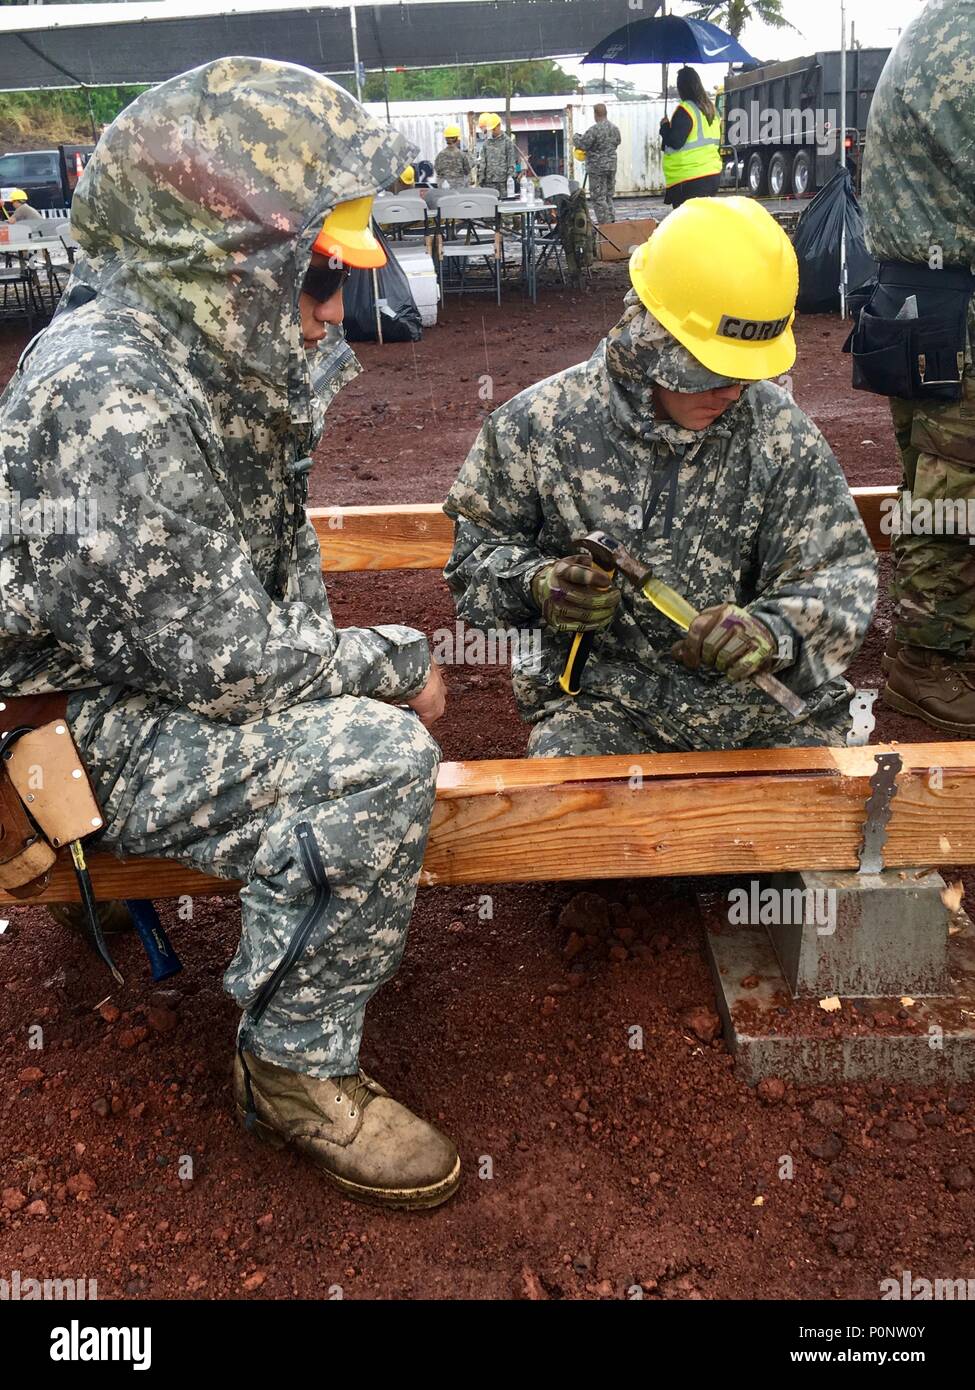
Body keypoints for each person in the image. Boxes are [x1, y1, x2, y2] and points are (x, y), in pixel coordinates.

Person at [0, 57, 461, 1211]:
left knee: (350, 715)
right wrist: (390, 669)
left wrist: (337, 673)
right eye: (314, 276)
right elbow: (226, 662)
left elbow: (269, 579)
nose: (328, 309)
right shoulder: (114, 392)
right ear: (229, 260)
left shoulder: (206, 346)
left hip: (146, 673)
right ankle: (293, 1066)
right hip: (72, 720)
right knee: (378, 762)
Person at [444, 198, 877, 756]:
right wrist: (536, 584)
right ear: (654, 337)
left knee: (833, 820)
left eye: (748, 372)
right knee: (574, 818)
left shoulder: (777, 431)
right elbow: (472, 562)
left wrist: (771, 632)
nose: (733, 391)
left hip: (763, 711)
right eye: (712, 369)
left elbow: (838, 577)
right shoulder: (537, 426)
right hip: (607, 708)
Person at [858, 0, 975, 732]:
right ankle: (926, 669)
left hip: (922, 301)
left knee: (937, 482)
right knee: (949, 493)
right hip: (952, 307)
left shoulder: (937, 22)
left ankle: (939, 653)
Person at [659, 67, 722, 207]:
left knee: (687, 225)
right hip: (711, 174)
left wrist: (664, 127)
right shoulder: (712, 110)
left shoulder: (686, 109)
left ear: (682, 87)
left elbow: (675, 142)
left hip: (689, 178)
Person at [574, 103, 621, 224]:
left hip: (597, 168)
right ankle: (612, 223)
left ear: (595, 114)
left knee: (598, 198)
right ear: (606, 113)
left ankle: (605, 227)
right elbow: (617, 142)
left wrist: (575, 137)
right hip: (611, 166)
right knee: (608, 196)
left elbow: (583, 144)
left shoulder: (594, 130)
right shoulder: (615, 129)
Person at [476, 112, 518, 198]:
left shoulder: (507, 142)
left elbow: (511, 162)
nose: (493, 131)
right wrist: (481, 180)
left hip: (503, 183)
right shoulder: (487, 143)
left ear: (499, 126)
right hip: (489, 182)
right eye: (492, 129)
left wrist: (510, 179)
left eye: (494, 129)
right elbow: (483, 162)